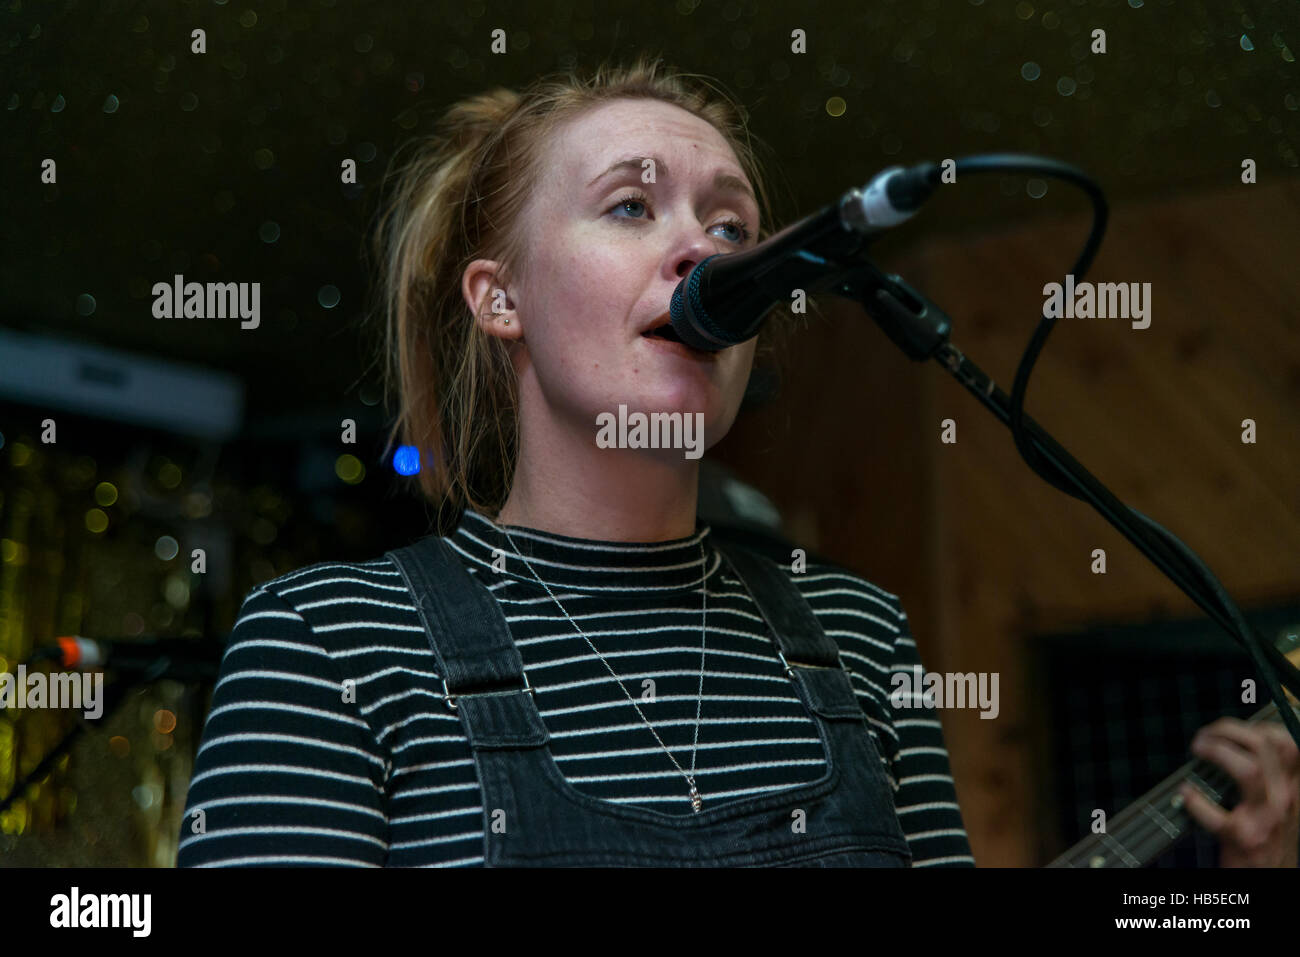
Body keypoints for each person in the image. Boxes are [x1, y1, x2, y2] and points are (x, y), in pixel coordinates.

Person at [176, 54, 1295, 868]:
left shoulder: (856, 635)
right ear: (498, 297)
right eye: (630, 204)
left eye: (728, 228)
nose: (702, 252)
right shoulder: (327, 641)